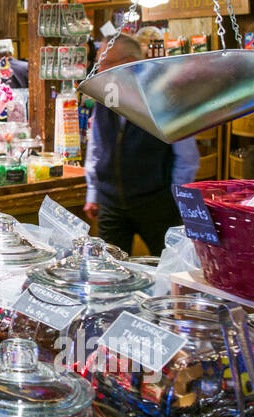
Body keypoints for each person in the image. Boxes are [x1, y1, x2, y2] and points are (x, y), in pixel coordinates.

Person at [82, 33, 201, 255]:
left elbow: (186, 158)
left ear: (127, 64)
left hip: (156, 203)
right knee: (110, 273)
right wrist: (93, 192)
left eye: (105, 64)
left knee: (169, 267)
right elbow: (96, 147)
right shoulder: (105, 95)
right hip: (111, 203)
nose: (98, 71)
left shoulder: (166, 97)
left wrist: (175, 201)